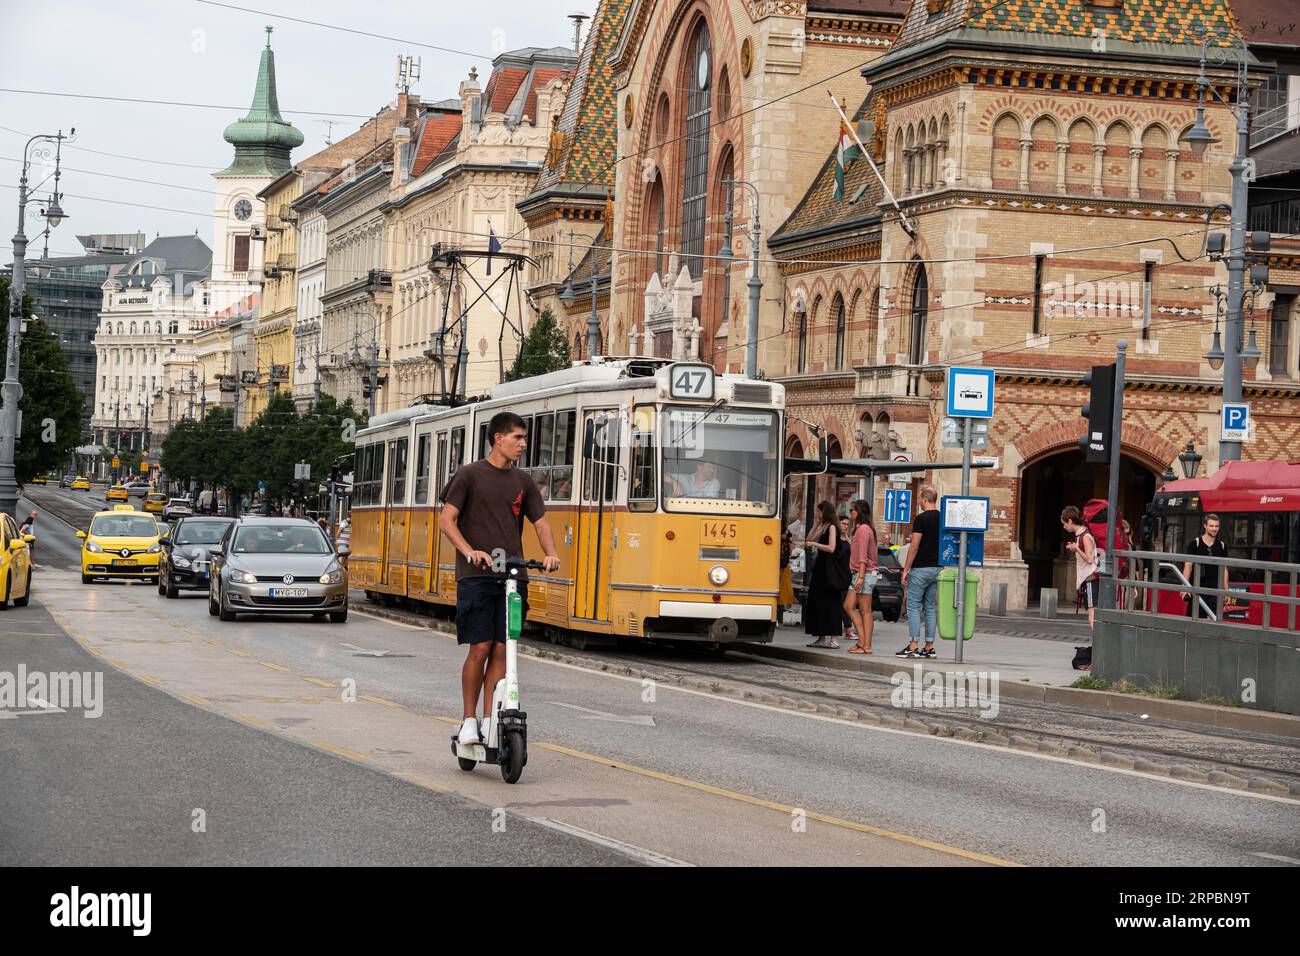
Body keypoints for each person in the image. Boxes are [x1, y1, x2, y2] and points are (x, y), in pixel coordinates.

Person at [440, 411, 561, 747]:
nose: (523, 444)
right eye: (517, 437)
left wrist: (550, 554)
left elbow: (541, 524)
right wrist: (469, 551)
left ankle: (492, 717)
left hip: (512, 575)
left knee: (502, 649)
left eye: (524, 438)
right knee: (479, 647)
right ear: (498, 438)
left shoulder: (523, 482)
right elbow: (447, 521)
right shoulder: (469, 475)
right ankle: (468, 720)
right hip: (476, 575)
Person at [899, 486, 941, 658]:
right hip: (938, 568)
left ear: (924, 499)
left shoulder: (921, 519)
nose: (920, 504)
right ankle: (929, 646)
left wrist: (906, 569)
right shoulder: (943, 518)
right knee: (930, 608)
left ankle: (913, 645)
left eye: (920, 500)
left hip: (921, 568)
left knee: (914, 607)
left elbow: (914, 546)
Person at [803, 501, 847, 649]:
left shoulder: (833, 527)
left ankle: (834, 639)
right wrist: (816, 524)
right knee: (818, 602)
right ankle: (821, 637)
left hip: (829, 571)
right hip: (821, 570)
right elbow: (809, 538)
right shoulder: (822, 526)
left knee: (831, 603)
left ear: (823, 511)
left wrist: (815, 545)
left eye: (818, 511)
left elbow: (831, 548)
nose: (816, 514)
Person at [845, 499, 878, 654]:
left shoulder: (864, 529)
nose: (850, 512)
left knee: (865, 610)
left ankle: (866, 645)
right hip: (859, 574)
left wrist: (861, 577)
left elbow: (863, 556)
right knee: (849, 606)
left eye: (852, 509)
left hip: (863, 573)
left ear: (859, 512)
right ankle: (862, 642)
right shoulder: (860, 529)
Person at [1182, 513, 1226, 620]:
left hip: (1215, 591)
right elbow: (1188, 566)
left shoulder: (1222, 546)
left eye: (1216, 526)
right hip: (1197, 589)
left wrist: (1226, 591)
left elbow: (1224, 569)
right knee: (1194, 621)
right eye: (1211, 526)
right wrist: (1184, 587)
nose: (1214, 529)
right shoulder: (1195, 543)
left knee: (1213, 621)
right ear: (1205, 526)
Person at [1061, 505, 1099, 628]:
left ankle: (1100, 645)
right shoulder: (1081, 535)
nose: (1064, 526)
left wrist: (1076, 548)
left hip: (1090, 579)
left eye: (1064, 523)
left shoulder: (1085, 536)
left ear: (1070, 521)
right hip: (1089, 579)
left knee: (1092, 617)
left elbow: (1089, 559)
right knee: (1093, 616)